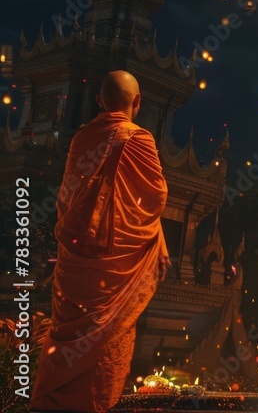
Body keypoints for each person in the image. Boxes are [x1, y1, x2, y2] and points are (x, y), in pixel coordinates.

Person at [31, 70, 171, 412]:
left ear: (99, 101)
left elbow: (69, 201)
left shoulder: (82, 139)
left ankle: (51, 402)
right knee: (106, 341)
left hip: (77, 263)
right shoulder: (139, 138)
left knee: (68, 333)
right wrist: (159, 246)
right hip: (115, 265)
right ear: (137, 102)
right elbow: (151, 202)